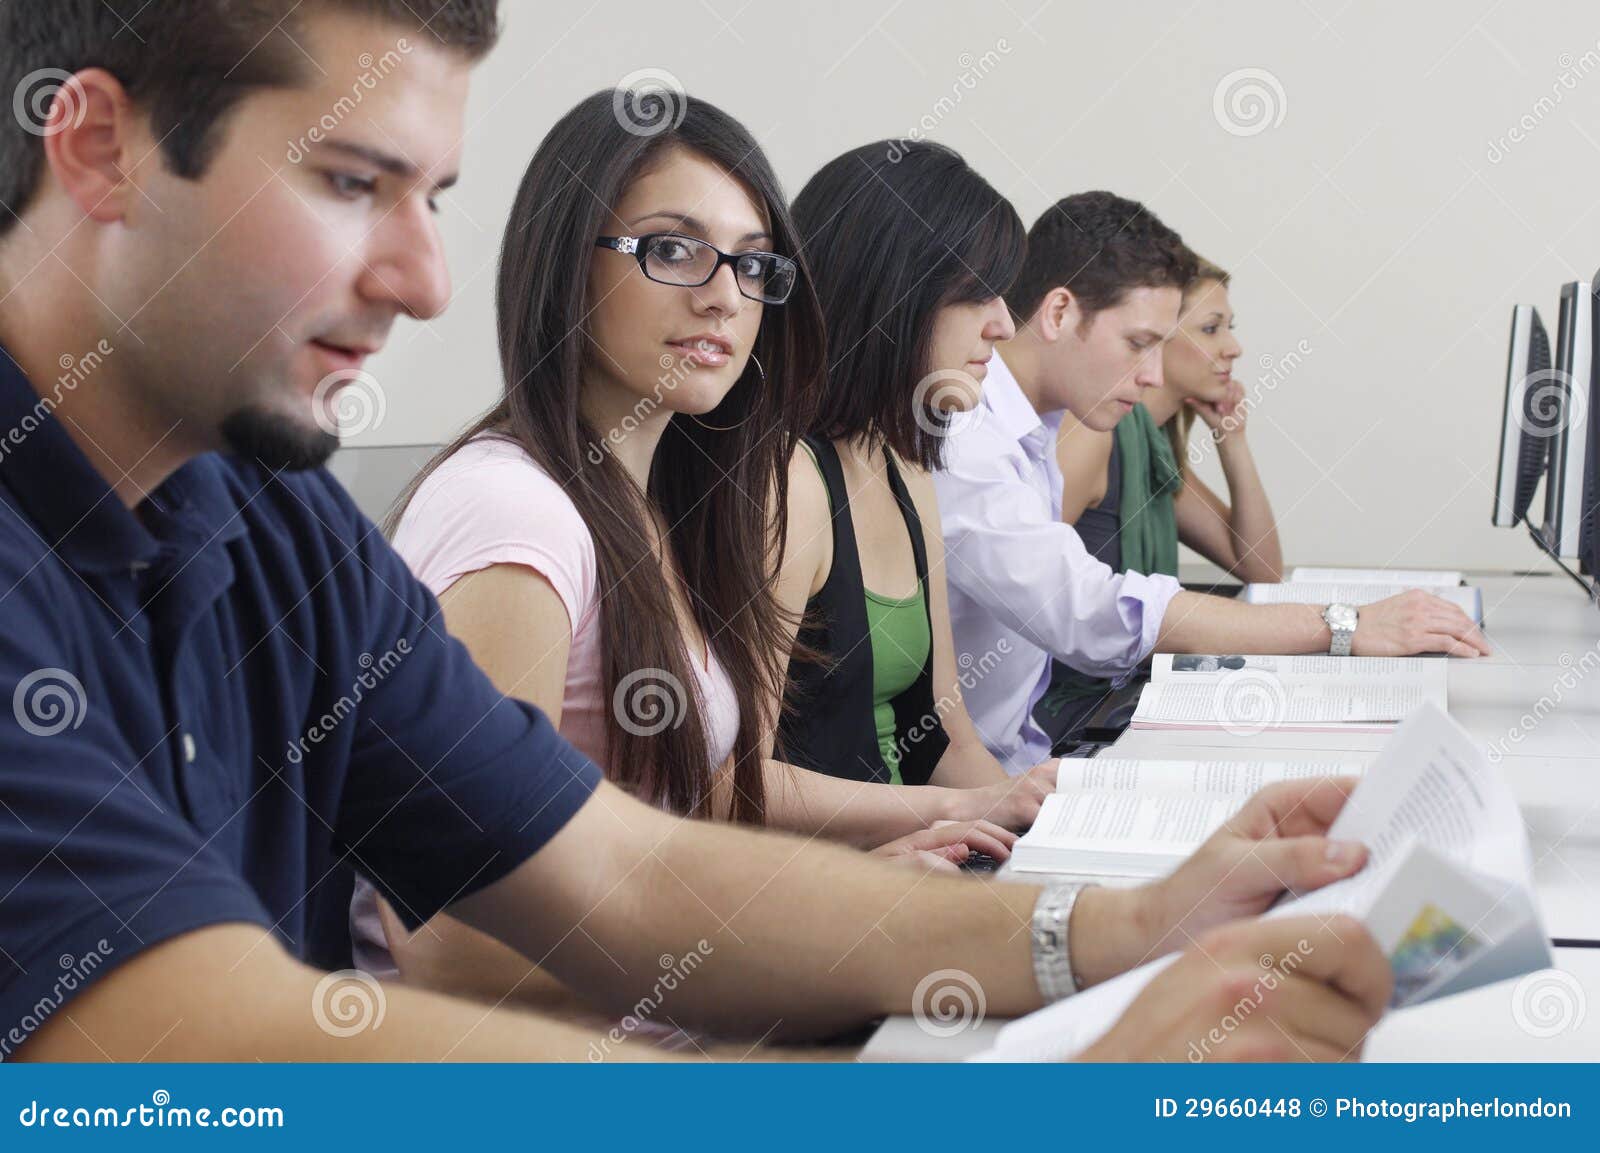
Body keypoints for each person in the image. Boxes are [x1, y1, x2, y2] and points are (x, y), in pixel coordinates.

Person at [0, 0, 1391, 1062]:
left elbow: (623, 865)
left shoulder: (270, 512)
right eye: (351, 184)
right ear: (101, 146)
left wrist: (1119, 930)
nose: (424, 281)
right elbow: (200, 1038)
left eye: (433, 199)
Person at [350, 94, 1035, 989]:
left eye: (754, 265)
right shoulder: (515, 515)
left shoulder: (662, 501)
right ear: (564, 262)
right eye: (672, 249)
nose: (724, 295)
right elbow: (447, 942)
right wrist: (819, 916)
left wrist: (855, 880)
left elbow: (685, 818)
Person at [934, 191, 1491, 774]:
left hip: (1014, 768)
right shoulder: (971, 440)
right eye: (1138, 344)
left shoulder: (1034, 430)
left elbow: (1248, 565)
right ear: (1058, 313)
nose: (1151, 375)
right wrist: (1343, 626)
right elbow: (1086, 611)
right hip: (988, 785)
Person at [771, 140, 1057, 813]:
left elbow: (946, 737)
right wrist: (955, 815)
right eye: (977, 294)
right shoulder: (788, 483)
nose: (1004, 323)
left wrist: (1040, 818)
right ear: (897, 294)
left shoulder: (905, 463)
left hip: (917, 852)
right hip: (836, 885)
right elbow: (741, 782)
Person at [1039, 247, 1284, 743]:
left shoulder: (1150, 451)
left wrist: (1232, 441)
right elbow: (1026, 588)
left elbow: (1262, 568)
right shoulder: (1093, 437)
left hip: (1121, 698)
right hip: (1067, 718)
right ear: (1160, 336)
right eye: (1212, 328)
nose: (1233, 347)